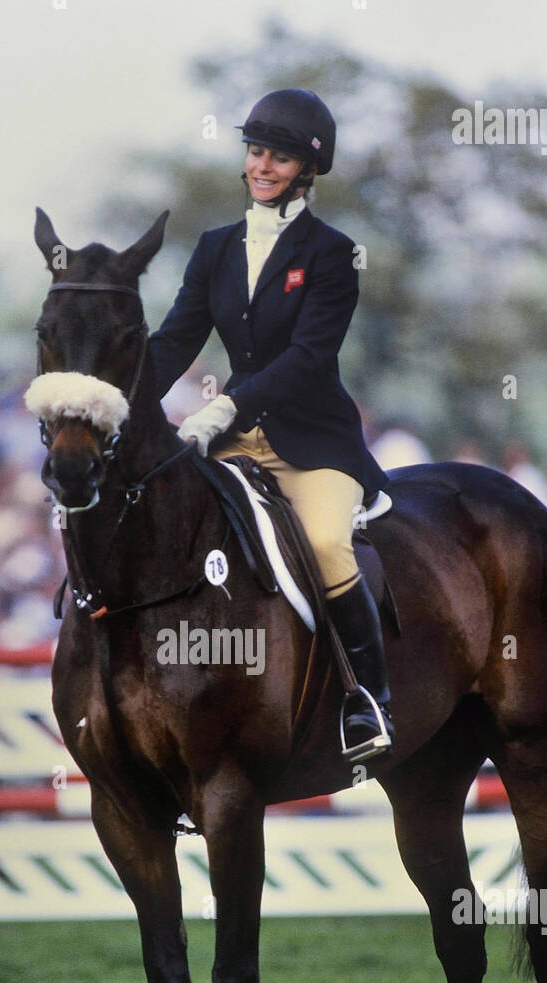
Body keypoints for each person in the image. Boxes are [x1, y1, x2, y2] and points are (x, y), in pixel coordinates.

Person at [148, 89, 393, 762]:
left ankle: (368, 701)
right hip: (237, 444)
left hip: (312, 443)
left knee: (323, 542)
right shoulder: (216, 248)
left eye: (278, 158)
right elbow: (174, 341)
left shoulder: (332, 254)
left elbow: (309, 359)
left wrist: (224, 406)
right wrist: (117, 395)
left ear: (307, 170)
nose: (262, 166)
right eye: (256, 152)